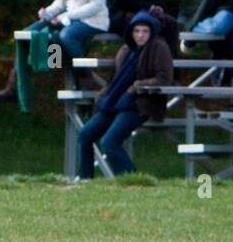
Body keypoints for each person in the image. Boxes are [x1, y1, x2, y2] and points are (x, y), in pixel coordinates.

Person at [74, 11, 174, 180]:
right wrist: (103, 93)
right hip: (115, 101)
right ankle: (85, 180)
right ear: (131, 32)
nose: (141, 35)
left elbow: (164, 79)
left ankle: (132, 180)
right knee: (85, 135)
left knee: (110, 142)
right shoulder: (126, 50)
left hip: (141, 103)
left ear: (152, 32)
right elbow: (113, 79)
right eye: (137, 31)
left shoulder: (159, 47)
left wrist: (137, 86)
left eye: (145, 31)